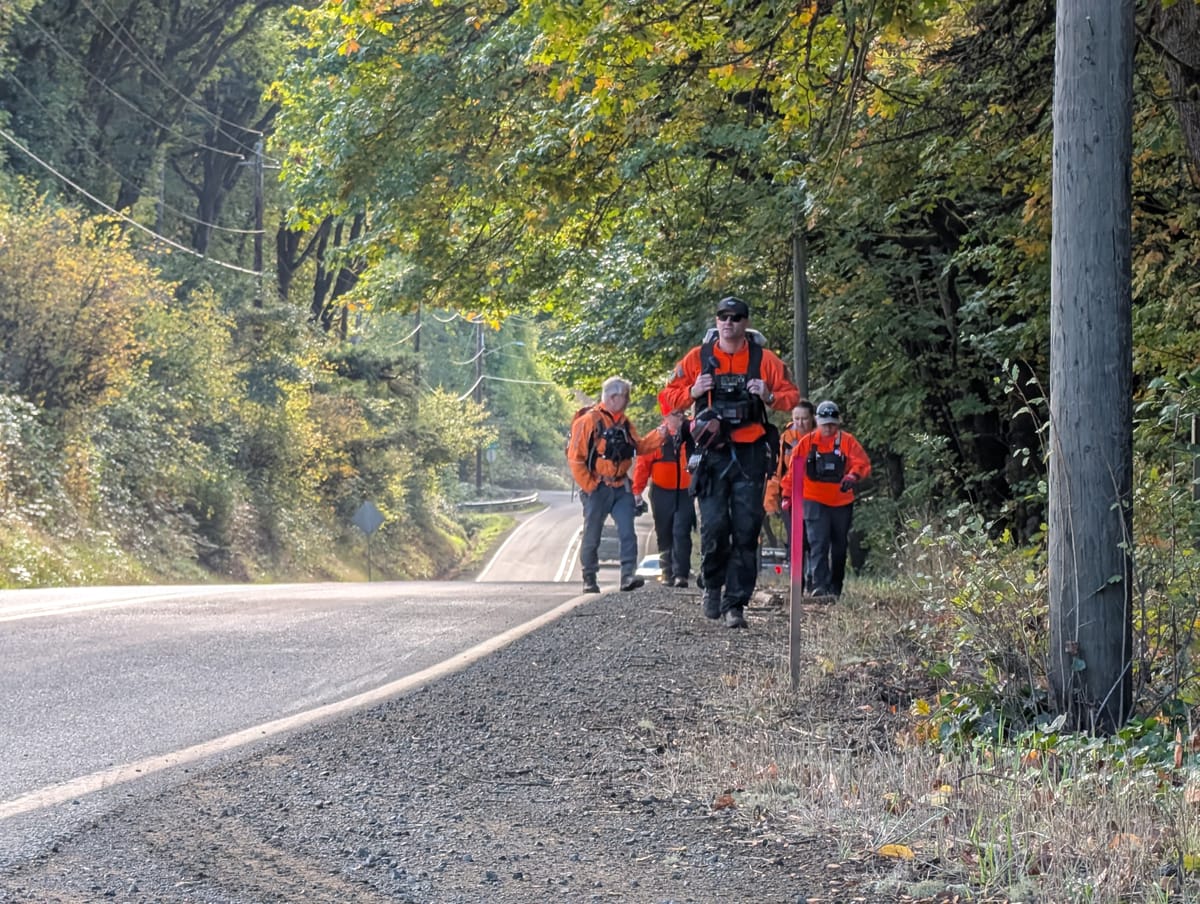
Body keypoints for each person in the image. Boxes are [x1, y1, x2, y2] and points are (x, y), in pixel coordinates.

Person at [661, 296, 800, 628]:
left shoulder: (765, 360)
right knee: (714, 526)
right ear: (717, 320)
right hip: (712, 453)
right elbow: (667, 397)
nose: (729, 322)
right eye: (723, 316)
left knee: (746, 529)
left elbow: (792, 397)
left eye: (736, 317)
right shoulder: (698, 358)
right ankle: (712, 585)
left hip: (751, 453)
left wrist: (768, 395)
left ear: (745, 322)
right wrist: (692, 391)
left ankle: (735, 604)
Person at [567, 376, 677, 594]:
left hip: (620, 487)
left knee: (628, 532)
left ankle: (628, 576)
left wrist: (661, 433)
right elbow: (575, 458)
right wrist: (591, 486)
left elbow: (640, 447)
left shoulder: (625, 423)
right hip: (597, 488)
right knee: (592, 533)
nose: (628, 401)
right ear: (613, 397)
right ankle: (589, 578)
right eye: (625, 396)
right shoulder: (588, 422)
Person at [780, 400, 871, 597]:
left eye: (832, 423)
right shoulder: (806, 443)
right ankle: (819, 587)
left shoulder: (847, 441)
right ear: (817, 422)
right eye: (824, 424)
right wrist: (787, 496)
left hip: (841, 501)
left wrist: (853, 475)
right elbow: (793, 472)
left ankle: (835, 588)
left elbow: (862, 463)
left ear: (837, 422)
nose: (828, 428)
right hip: (813, 499)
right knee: (817, 543)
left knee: (839, 547)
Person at [632, 396, 696, 588]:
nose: (682, 418)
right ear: (667, 416)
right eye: (677, 414)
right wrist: (637, 491)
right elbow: (642, 466)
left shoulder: (692, 437)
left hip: (684, 493)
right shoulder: (656, 438)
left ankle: (681, 574)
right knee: (664, 533)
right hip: (661, 493)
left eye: (683, 414)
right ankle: (667, 573)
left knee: (681, 531)